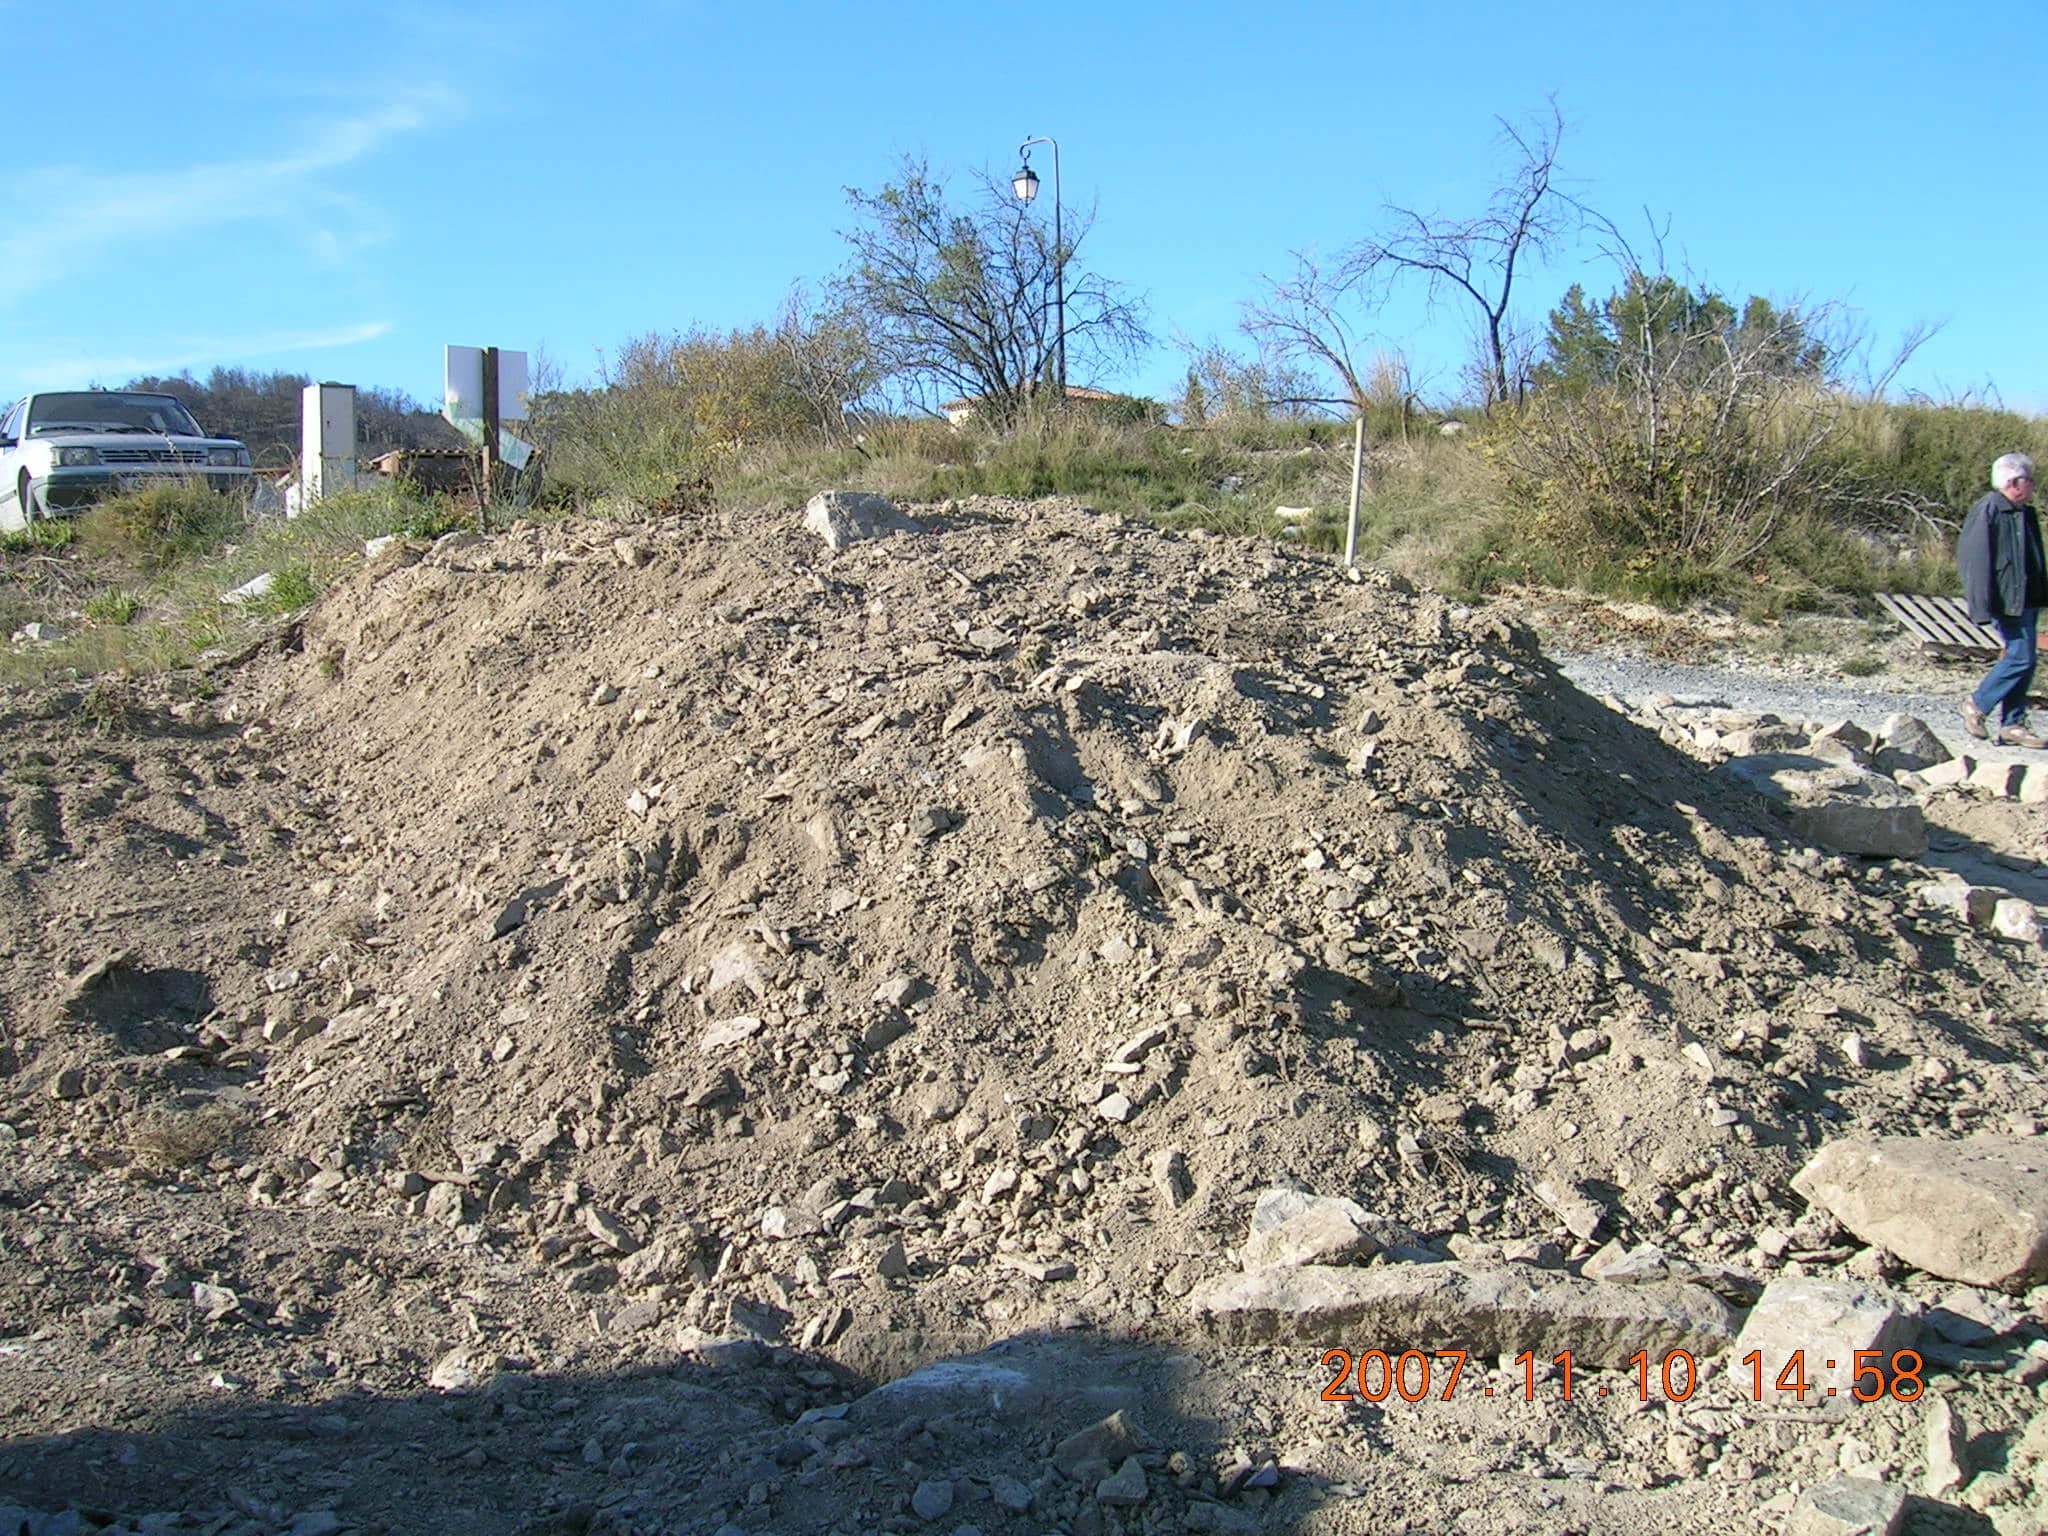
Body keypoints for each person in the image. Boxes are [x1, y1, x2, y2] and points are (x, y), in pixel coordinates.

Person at [1957, 452, 2048, 749]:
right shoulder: (1989, 510)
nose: (2033, 485)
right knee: (2020, 657)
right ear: (2013, 482)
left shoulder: (2025, 513)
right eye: (2029, 480)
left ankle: (2013, 724)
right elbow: (1975, 561)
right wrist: (1980, 605)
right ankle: (1977, 703)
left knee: (2027, 660)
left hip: (2026, 600)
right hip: (2006, 599)